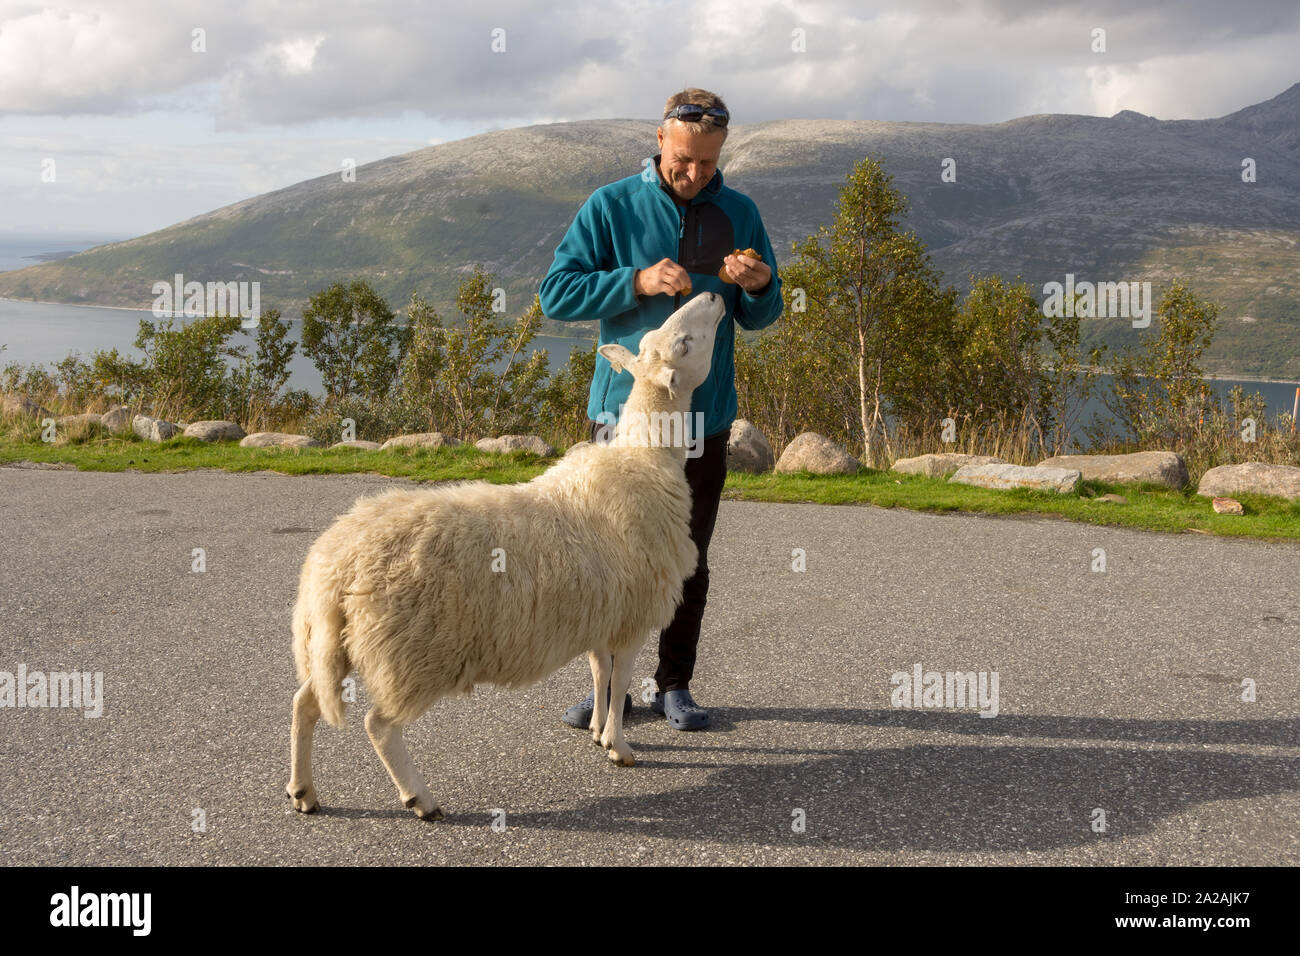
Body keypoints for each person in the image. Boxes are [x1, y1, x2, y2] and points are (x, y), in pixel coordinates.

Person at [538, 87, 783, 731]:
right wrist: (637, 281)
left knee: (686, 555)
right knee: (608, 555)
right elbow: (555, 294)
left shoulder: (741, 211)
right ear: (659, 140)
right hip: (625, 415)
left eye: (706, 162)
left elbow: (762, 312)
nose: (694, 173)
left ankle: (673, 684)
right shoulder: (610, 206)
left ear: (721, 151)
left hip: (702, 419)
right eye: (682, 159)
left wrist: (758, 286)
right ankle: (605, 689)